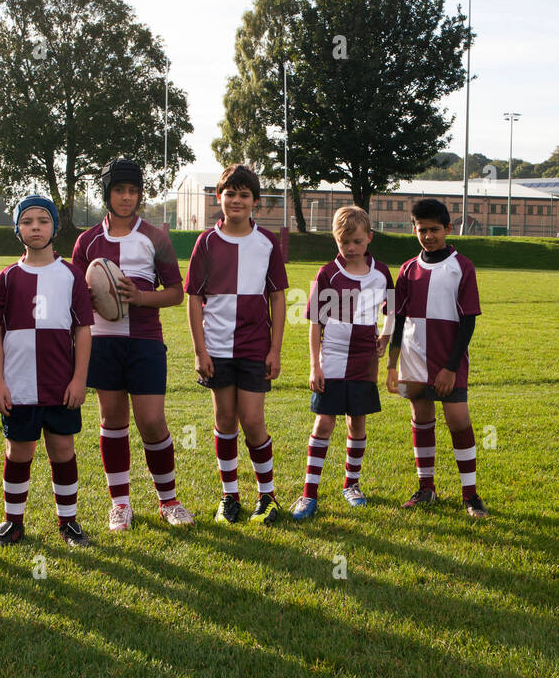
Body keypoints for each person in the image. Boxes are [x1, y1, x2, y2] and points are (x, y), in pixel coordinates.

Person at [71, 157, 194, 530]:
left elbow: (176, 294)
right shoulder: (87, 241)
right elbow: (74, 298)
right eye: (119, 190)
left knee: (153, 422)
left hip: (144, 342)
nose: (126, 197)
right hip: (102, 344)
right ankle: (120, 504)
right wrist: (90, 298)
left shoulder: (155, 238)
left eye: (133, 190)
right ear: (107, 193)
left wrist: (138, 298)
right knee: (112, 421)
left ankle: (168, 501)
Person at [0, 195, 94, 548]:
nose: (35, 227)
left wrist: (79, 380)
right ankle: (12, 523)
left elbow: (82, 331)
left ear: (54, 227)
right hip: (18, 386)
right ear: (17, 228)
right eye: (27, 221)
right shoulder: (6, 279)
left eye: (43, 220)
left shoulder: (71, 275)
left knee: (62, 450)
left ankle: (69, 523)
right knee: (18, 453)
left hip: (60, 384)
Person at [184, 164, 288, 525]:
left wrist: (274, 350)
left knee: (253, 420)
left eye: (245, 195)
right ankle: (229, 497)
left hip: (254, 347)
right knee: (225, 420)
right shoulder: (206, 242)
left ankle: (267, 495)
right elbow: (194, 299)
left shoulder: (267, 242)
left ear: (255, 201)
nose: (237, 200)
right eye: (230, 193)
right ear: (219, 197)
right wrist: (200, 351)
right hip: (216, 348)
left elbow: (277, 298)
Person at [385, 198, 487, 518]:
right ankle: (426, 488)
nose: (428, 236)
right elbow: (397, 319)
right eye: (421, 229)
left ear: (447, 228)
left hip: (448, 361)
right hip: (413, 357)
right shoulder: (406, 269)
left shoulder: (462, 266)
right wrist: (391, 364)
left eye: (434, 229)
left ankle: (470, 495)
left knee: (458, 420)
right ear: (413, 229)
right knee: (422, 418)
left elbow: (468, 321)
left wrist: (451, 367)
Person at [290, 206, 393, 520]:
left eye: (357, 242)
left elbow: (393, 310)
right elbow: (314, 323)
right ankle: (309, 494)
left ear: (369, 239)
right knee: (323, 423)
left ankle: (352, 484)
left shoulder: (381, 273)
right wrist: (314, 365)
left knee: (357, 421)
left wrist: (385, 338)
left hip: (364, 360)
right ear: (336, 240)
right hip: (332, 358)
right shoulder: (327, 273)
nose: (350, 248)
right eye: (344, 241)